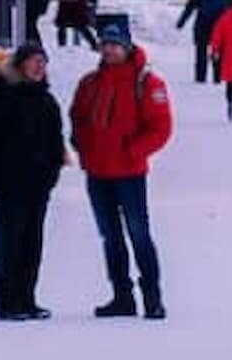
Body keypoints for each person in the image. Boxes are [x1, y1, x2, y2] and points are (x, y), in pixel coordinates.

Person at [70, 24, 175, 320]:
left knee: (138, 234)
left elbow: (161, 127)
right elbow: (77, 116)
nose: (109, 50)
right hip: (97, 172)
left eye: (115, 45)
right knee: (110, 237)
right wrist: (82, 145)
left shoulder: (147, 83)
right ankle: (122, 296)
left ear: (127, 47)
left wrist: (132, 151)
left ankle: (153, 298)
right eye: (105, 44)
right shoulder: (90, 83)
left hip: (129, 173)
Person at [0, 44, 65, 321]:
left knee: (32, 243)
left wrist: (51, 176)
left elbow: (55, 143)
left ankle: (27, 298)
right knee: (9, 242)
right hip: (7, 185)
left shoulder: (46, 101)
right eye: (34, 62)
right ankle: (6, 300)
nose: (39, 67)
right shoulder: (0, 98)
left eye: (42, 62)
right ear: (20, 65)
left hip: (37, 186)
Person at [176, 0, 232, 85]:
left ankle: (200, 77)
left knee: (201, 51)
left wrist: (181, 21)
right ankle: (218, 76)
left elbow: (191, 5)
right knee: (218, 50)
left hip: (203, 21)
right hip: (220, 23)